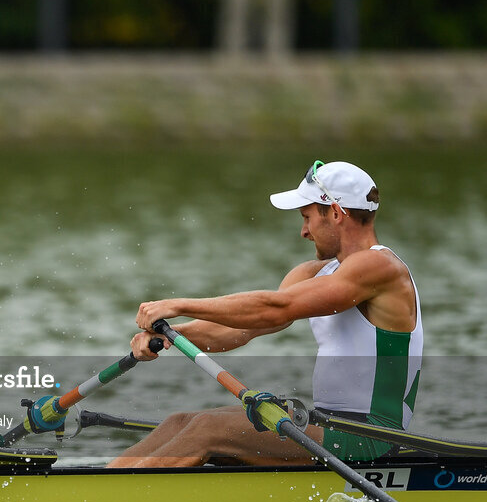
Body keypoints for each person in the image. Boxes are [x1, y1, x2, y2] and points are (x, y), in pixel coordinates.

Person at [109, 160, 422, 468]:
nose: (303, 231)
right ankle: (104, 486)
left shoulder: (380, 267)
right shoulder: (316, 273)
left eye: (307, 217)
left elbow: (275, 308)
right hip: (330, 425)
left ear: (337, 214)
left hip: (373, 437)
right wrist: (170, 336)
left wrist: (179, 305)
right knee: (181, 422)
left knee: (209, 430)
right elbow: (242, 329)